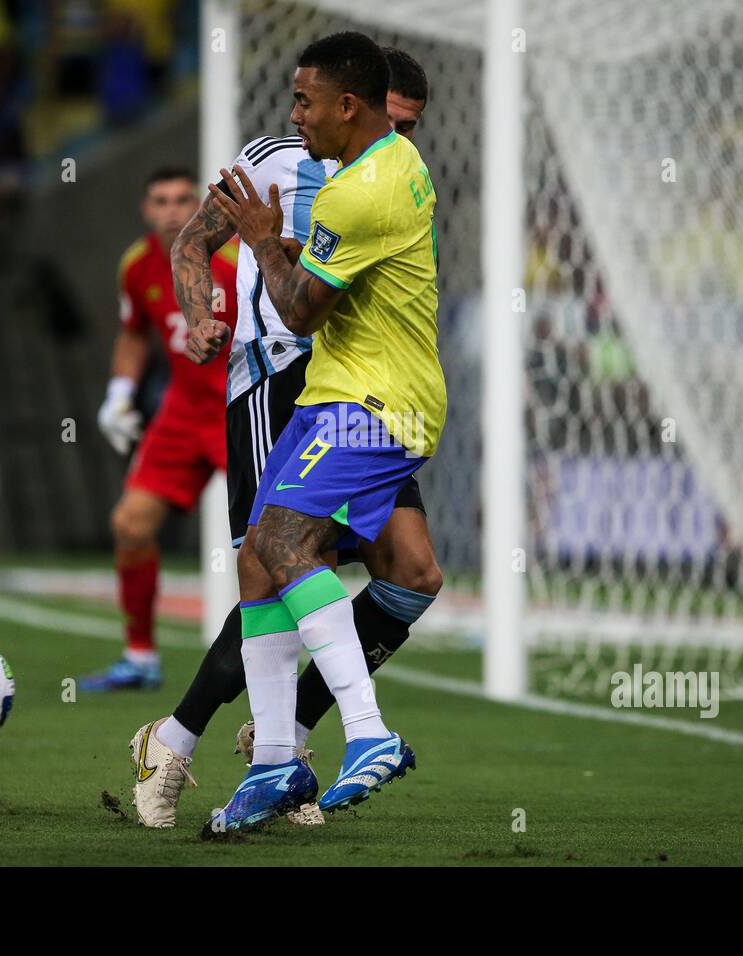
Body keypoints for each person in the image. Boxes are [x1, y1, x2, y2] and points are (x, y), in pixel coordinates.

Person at [127, 46, 440, 830]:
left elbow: (314, 290)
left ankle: (294, 741)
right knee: (272, 559)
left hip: (358, 388)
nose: (401, 136)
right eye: (394, 121)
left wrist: (271, 244)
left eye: (409, 127)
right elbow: (192, 242)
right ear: (361, 104)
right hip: (278, 381)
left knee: (399, 573)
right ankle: (204, 745)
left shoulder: (371, 180)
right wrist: (200, 316)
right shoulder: (276, 160)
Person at [84, 168, 238, 691]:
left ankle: (293, 656)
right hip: (183, 410)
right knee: (130, 525)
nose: (172, 210)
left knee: (273, 543)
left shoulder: (238, 258)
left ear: (200, 205)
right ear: (146, 209)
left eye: (182, 199)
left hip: (240, 409)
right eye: (161, 200)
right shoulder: (137, 264)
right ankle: (140, 658)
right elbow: (133, 335)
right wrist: (119, 393)